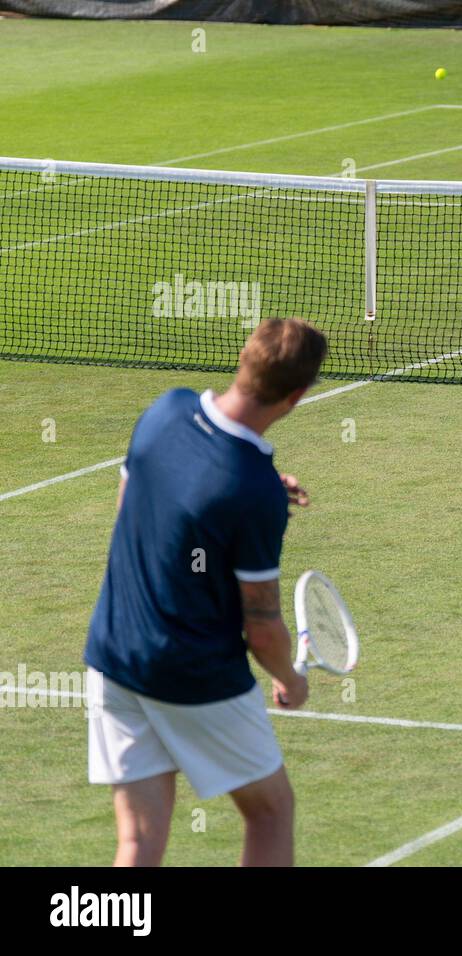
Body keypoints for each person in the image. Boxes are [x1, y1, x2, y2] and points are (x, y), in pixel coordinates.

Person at [83, 316, 327, 866]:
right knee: (269, 812)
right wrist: (289, 679)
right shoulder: (251, 491)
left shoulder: (165, 410)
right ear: (295, 396)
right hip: (194, 674)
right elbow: (261, 626)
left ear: (243, 361)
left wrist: (253, 493)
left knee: (139, 840)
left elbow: (138, 507)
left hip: (115, 656)